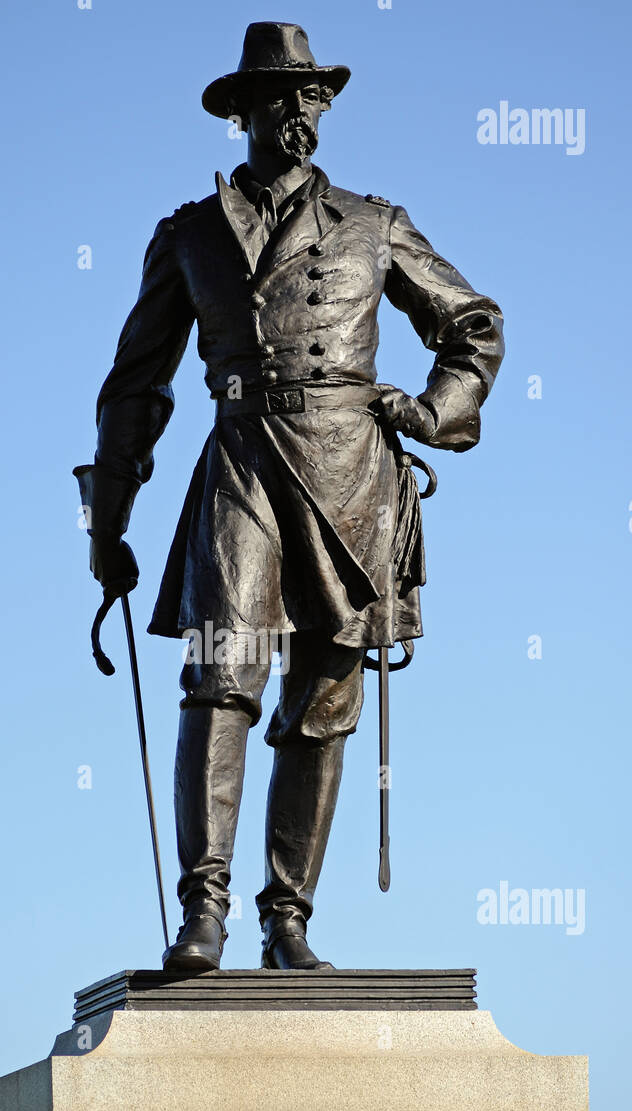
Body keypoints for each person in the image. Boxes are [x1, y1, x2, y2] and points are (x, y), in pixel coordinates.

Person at [74, 22, 504, 972]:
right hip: (243, 465)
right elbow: (136, 384)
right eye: (282, 97)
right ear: (244, 112)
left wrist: (432, 410)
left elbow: (472, 323)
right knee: (220, 677)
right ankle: (205, 912)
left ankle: (288, 920)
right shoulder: (190, 233)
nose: (302, 112)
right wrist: (108, 522)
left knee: (324, 695)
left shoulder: (372, 224)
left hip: (351, 474)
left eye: (313, 96)